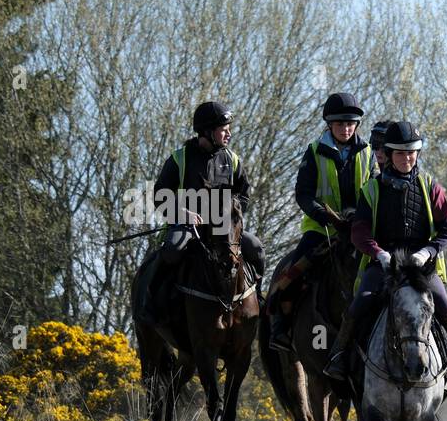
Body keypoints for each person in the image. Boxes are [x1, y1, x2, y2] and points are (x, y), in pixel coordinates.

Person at [324, 120, 447, 382]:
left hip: (420, 263)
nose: (407, 158)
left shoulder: (432, 187)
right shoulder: (371, 189)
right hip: (384, 263)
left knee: (444, 303)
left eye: (411, 152)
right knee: (362, 299)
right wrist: (379, 254)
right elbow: (359, 232)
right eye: (400, 153)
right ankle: (340, 355)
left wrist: (428, 251)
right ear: (390, 154)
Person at [269, 93, 376, 352]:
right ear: (329, 125)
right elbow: (303, 193)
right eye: (340, 124)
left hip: (360, 231)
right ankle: (280, 326)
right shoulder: (315, 151)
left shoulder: (368, 152)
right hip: (323, 229)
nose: (346, 128)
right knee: (292, 274)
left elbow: (376, 190)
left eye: (350, 124)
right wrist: (323, 216)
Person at [140, 100, 263, 325]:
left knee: (255, 247)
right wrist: (182, 212)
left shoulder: (232, 160)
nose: (229, 135)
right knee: (172, 250)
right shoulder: (180, 158)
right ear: (207, 131)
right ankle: (151, 304)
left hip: (222, 228)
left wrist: (231, 217)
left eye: (229, 130)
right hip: (188, 226)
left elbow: (243, 194)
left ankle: (259, 297)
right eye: (224, 130)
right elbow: (159, 194)